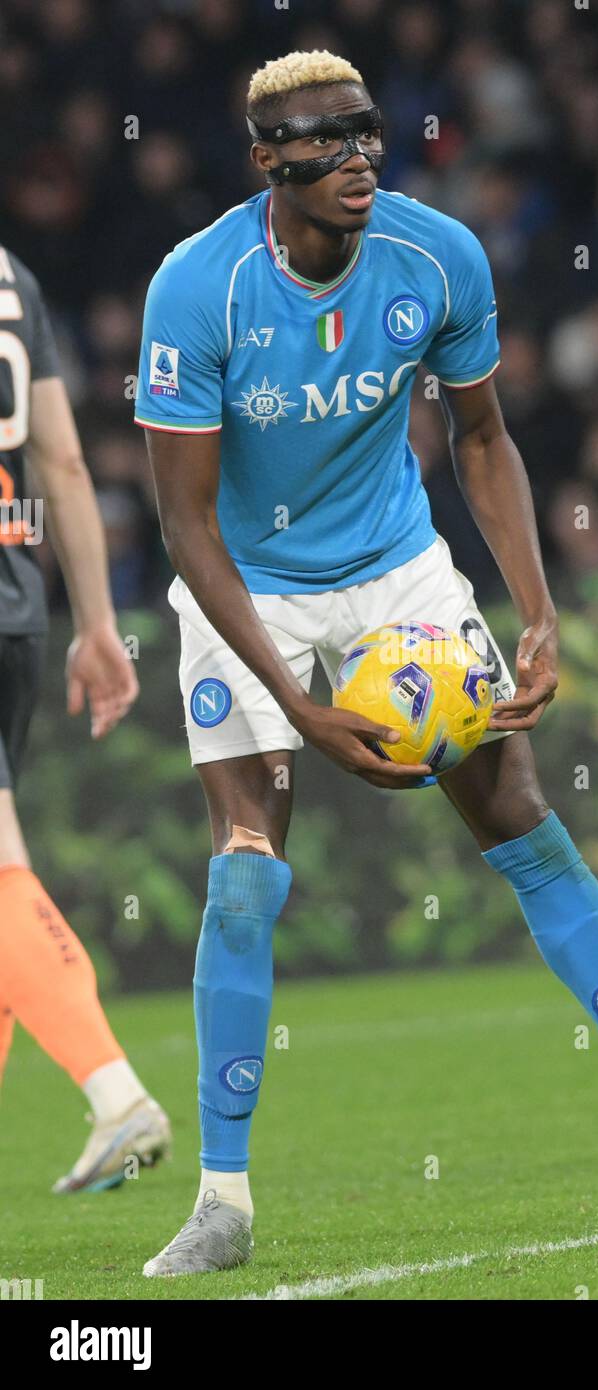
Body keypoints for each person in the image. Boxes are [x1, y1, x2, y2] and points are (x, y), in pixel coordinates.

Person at [135, 49, 598, 1277]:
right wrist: (295, 704)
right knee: (243, 880)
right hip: (247, 586)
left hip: (397, 575)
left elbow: (480, 439)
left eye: (366, 132)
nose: (355, 159)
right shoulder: (196, 289)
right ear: (267, 161)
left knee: (527, 825)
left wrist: (535, 611)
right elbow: (185, 524)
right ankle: (222, 1200)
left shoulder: (438, 258)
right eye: (321, 143)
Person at [0, 246, 171, 1192]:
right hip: (18, 607)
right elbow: (61, 458)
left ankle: (116, 1095)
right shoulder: (16, 275)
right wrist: (97, 625)